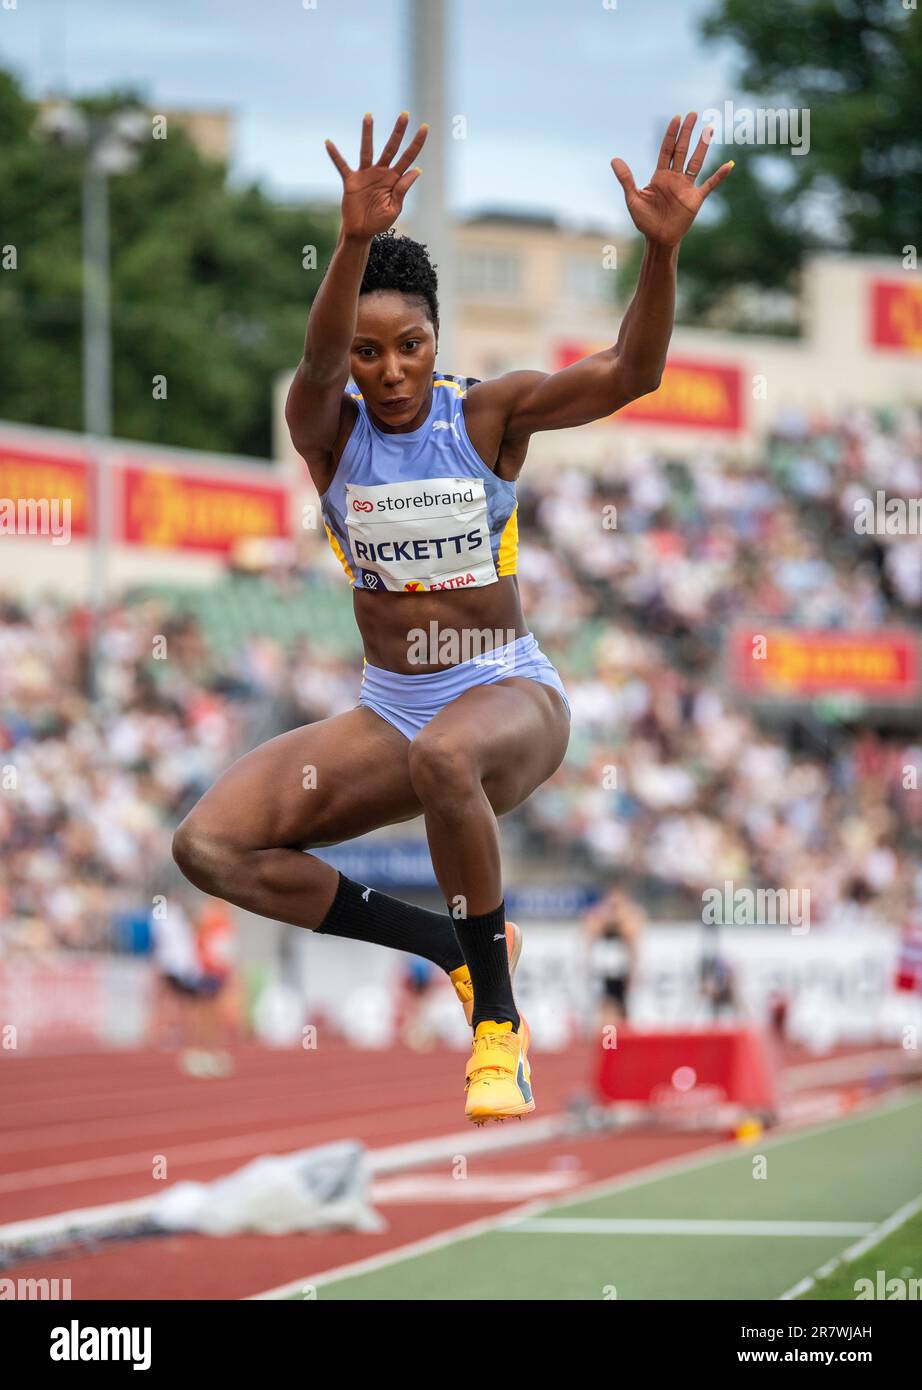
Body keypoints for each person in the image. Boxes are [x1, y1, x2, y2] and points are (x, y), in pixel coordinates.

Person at [172, 109, 732, 1122]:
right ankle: (453, 948)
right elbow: (311, 365)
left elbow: (632, 372)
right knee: (209, 847)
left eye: (410, 347)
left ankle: (498, 1028)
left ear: (438, 340)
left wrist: (660, 255)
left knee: (443, 755)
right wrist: (349, 242)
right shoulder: (326, 432)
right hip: (393, 708)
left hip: (507, 692)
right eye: (368, 353)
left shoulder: (485, 416)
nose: (388, 372)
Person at [583, 886, 644, 1028]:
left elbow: (631, 934)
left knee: (623, 1008)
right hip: (604, 971)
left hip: (621, 972)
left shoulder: (630, 917)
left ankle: (621, 1040)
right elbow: (591, 931)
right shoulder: (598, 917)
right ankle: (607, 1041)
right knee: (606, 1007)